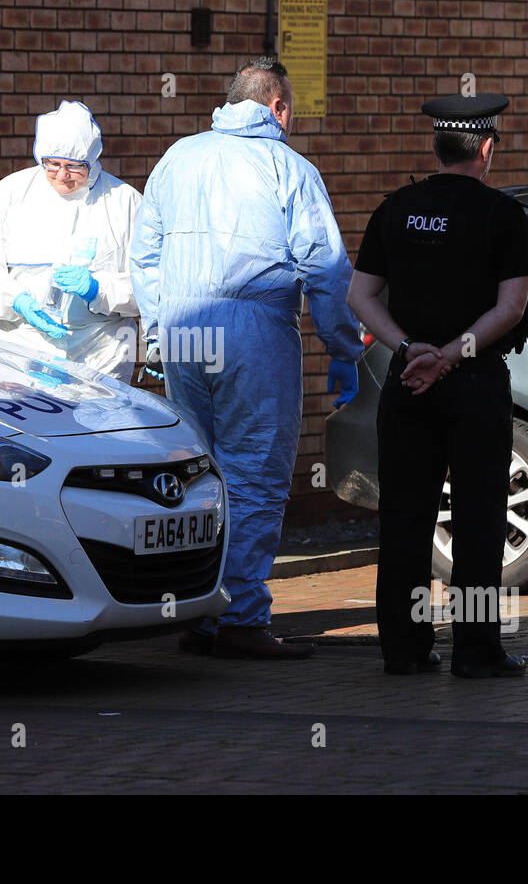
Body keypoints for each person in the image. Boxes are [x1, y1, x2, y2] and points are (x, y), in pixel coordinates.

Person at [131, 57, 363, 660]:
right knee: (254, 476)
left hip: (184, 329)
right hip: (253, 330)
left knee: (198, 475)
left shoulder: (177, 157)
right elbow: (326, 269)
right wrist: (344, 347)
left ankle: (198, 611)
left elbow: (145, 256)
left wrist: (157, 334)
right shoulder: (288, 167)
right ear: (278, 107)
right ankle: (240, 619)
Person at [347, 92, 528, 679]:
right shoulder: (501, 215)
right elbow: (511, 308)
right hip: (474, 383)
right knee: (479, 518)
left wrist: (410, 350)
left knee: (405, 516)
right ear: (485, 147)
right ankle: (477, 653)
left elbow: (359, 296)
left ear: (437, 146)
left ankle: (403, 649)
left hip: (407, 382)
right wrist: (453, 356)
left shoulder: (396, 208)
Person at [0, 100, 142, 382]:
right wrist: (15, 300)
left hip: (102, 350)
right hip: (23, 343)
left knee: (98, 425)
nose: (62, 175)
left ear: (92, 161)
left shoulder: (124, 202)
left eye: (74, 166)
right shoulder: (13, 193)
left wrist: (100, 289)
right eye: (52, 164)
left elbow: (151, 282)